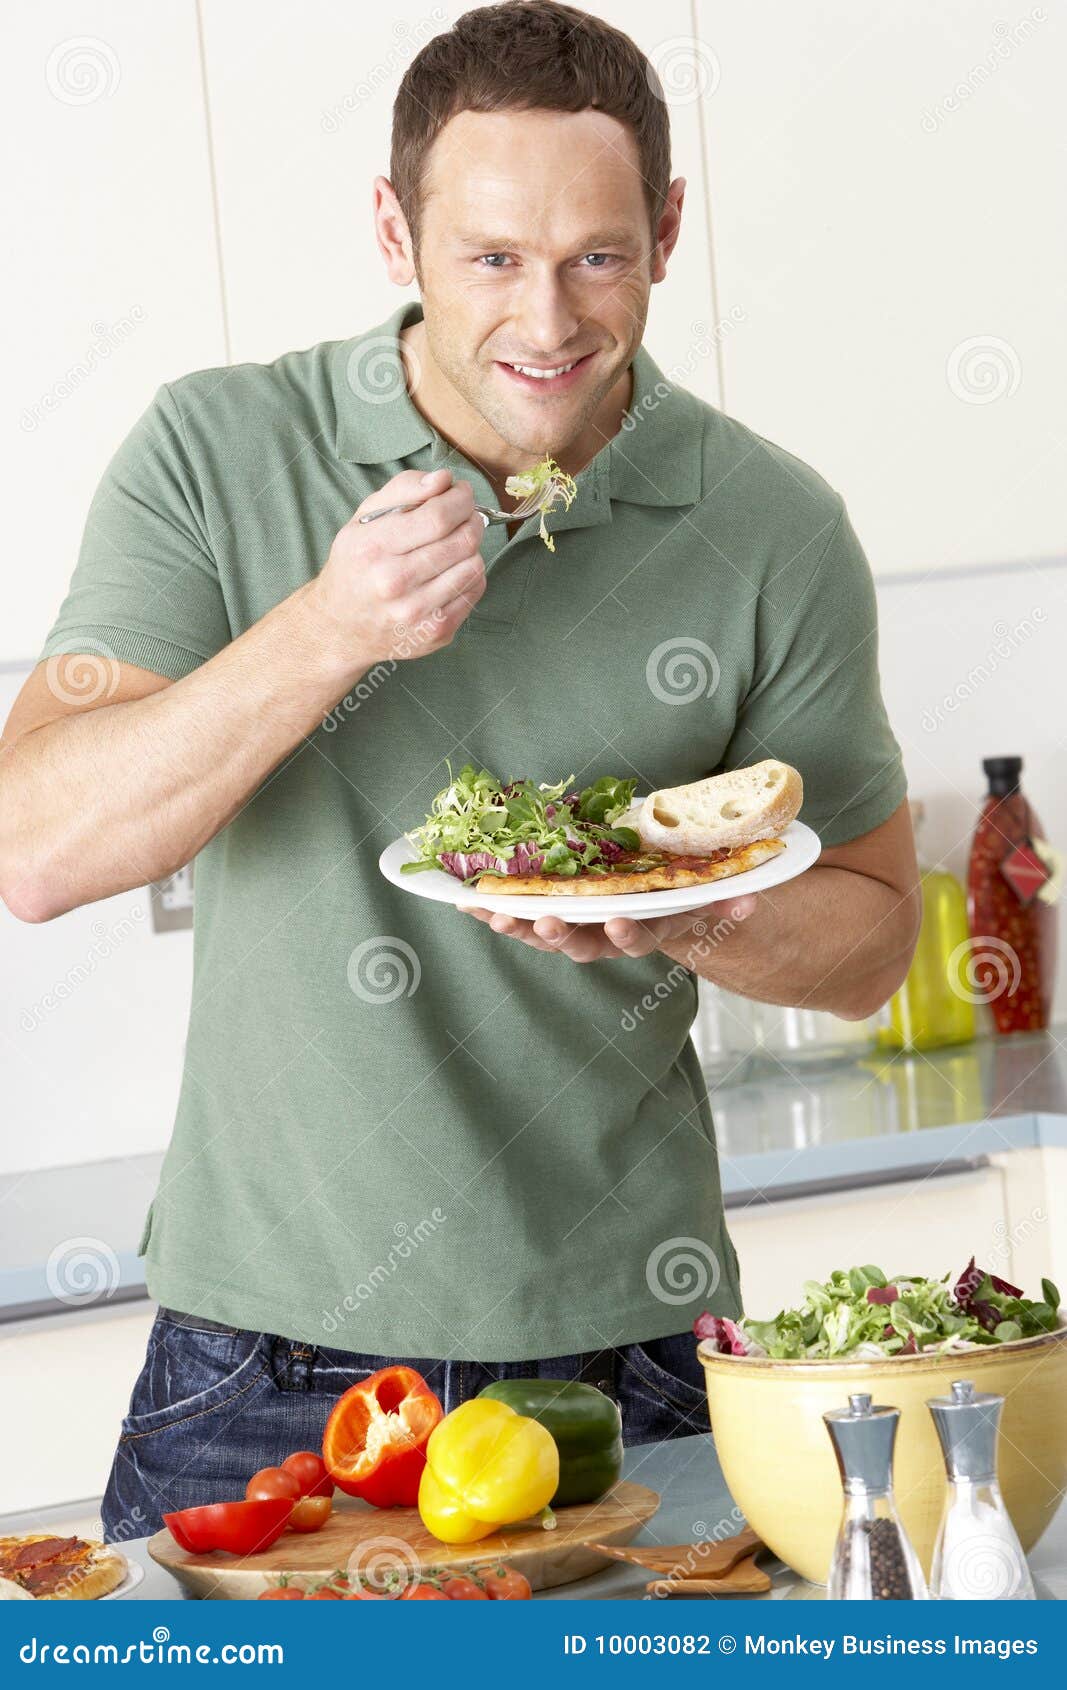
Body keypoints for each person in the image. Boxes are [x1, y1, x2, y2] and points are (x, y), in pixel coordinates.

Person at [0, 1, 918, 1539]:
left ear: (668, 231)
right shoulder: (217, 452)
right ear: (393, 230)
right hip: (261, 1364)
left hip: (633, 1361)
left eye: (596, 258)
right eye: (491, 256)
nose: (547, 321)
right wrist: (327, 629)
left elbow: (876, 934)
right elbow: (33, 846)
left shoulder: (769, 524)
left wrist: (677, 913)